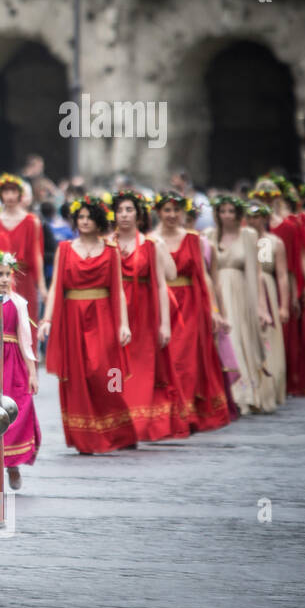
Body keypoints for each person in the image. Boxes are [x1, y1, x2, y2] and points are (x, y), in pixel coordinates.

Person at [40, 195, 137, 454]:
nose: (84, 221)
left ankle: (120, 431)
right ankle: (85, 438)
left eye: (89, 217)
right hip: (72, 317)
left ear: (98, 220)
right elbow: (56, 287)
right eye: (80, 217)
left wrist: (124, 325)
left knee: (103, 373)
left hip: (103, 315)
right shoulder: (65, 249)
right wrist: (47, 319)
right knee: (77, 378)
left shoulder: (111, 251)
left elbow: (118, 290)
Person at [148, 191, 232, 430]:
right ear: (158, 212)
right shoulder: (150, 239)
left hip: (189, 306)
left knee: (185, 361)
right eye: (167, 210)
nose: (172, 215)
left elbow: (203, 277)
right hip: (161, 305)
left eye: (176, 210)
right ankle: (167, 414)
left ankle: (186, 414)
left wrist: (214, 310)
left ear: (183, 212)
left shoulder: (193, 239)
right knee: (166, 360)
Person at [108, 190, 188, 442]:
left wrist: (165, 324)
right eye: (120, 210)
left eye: (129, 210)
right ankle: (116, 416)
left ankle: (142, 422)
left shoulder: (152, 244)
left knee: (143, 366)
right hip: (113, 310)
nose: (124, 215)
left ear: (139, 214)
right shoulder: (108, 243)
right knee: (115, 367)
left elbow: (166, 281)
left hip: (144, 310)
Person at [207, 196, 270, 414]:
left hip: (242, 295)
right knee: (222, 341)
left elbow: (257, 271)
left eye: (231, 211)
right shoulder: (209, 236)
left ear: (238, 214)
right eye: (223, 211)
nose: (227, 216)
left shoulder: (249, 236)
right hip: (217, 294)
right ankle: (224, 394)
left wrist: (261, 307)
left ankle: (244, 395)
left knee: (240, 340)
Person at [253, 178, 305, 397]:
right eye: (262, 198)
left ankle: (280, 380)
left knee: (281, 333)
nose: (267, 201)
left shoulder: (288, 226)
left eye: (271, 197)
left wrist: (304, 284)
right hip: (253, 283)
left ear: (277, 198)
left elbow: (296, 258)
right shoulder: (248, 228)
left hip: (276, 283)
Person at [0, 252, 40, 489]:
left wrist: (32, 372)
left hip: (12, 362)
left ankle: (13, 464)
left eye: (8, 274)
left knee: (17, 409)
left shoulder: (18, 303)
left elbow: (25, 339)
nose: (5, 279)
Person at [246, 202, 288, 408]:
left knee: (269, 338)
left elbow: (281, 276)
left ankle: (271, 388)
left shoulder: (274, 242)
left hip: (268, 290)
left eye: (257, 217)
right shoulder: (245, 240)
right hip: (247, 290)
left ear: (264, 218)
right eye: (250, 217)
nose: (253, 221)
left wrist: (284, 306)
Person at [0, 174, 46, 334]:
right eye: (6, 192)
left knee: (27, 323)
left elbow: (37, 255)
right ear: (1, 195)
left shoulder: (31, 221)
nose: (9, 196)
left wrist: (42, 286)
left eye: (13, 191)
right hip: (0, 278)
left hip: (25, 278)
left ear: (20, 194)